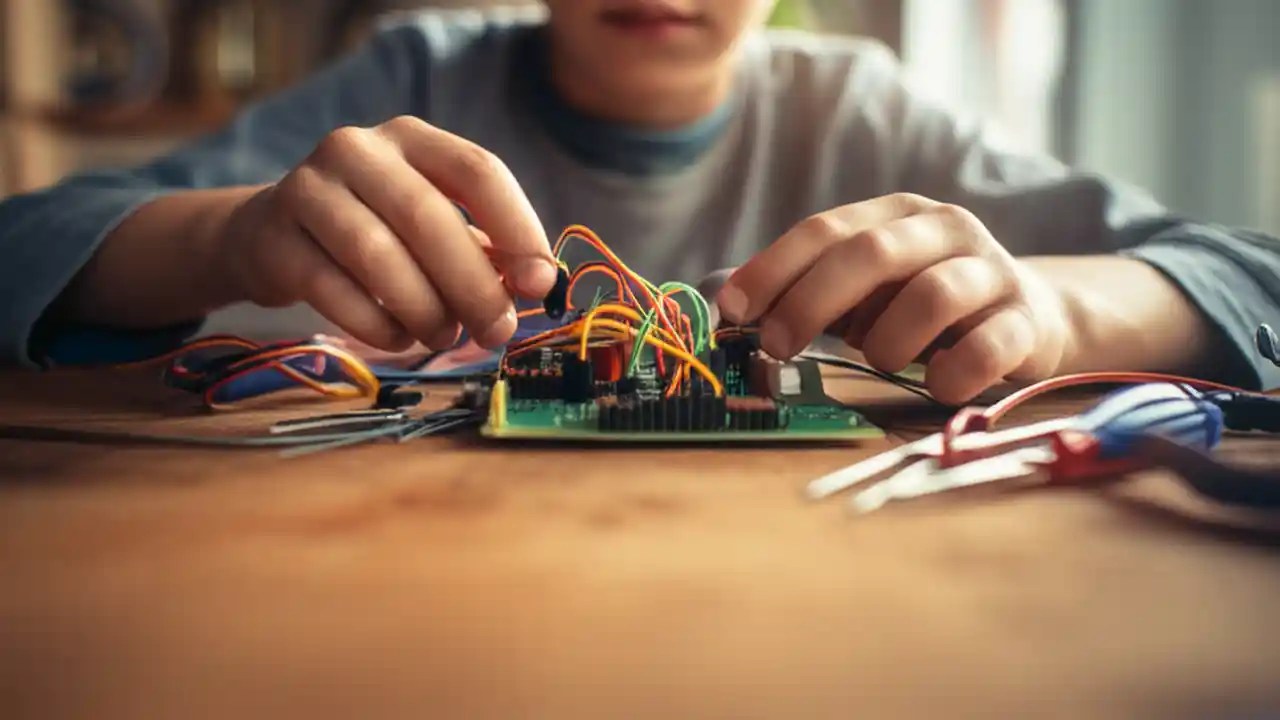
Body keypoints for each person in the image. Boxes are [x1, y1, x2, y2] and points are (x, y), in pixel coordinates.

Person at [1, 0, 1277, 404]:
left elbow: (1252, 275)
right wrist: (228, 229)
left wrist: (1054, 310)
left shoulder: (867, 107)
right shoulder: (413, 70)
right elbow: (25, 240)